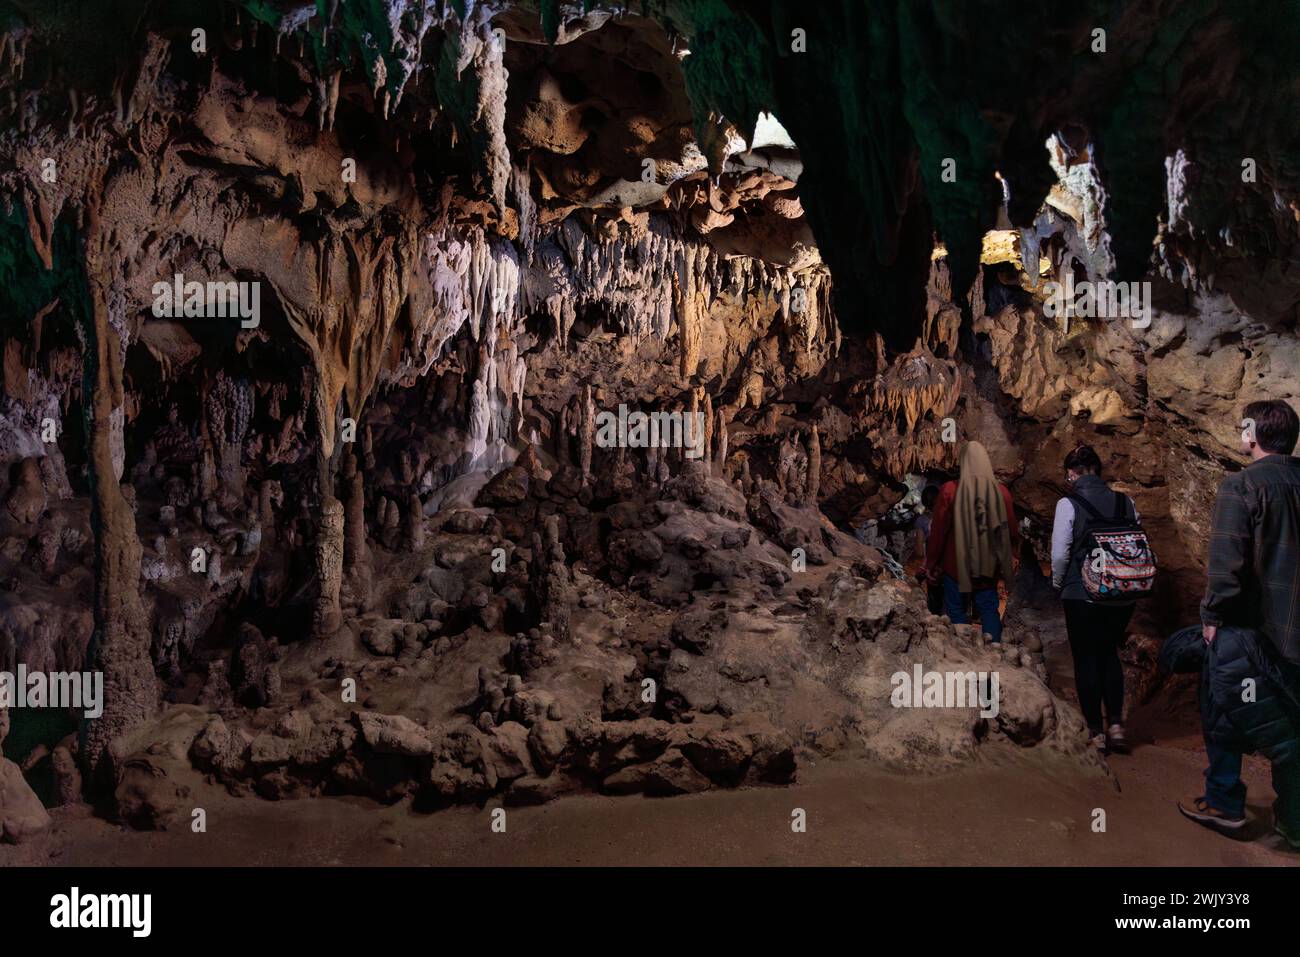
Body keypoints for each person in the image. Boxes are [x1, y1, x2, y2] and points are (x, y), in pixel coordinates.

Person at [1179, 399, 1300, 844]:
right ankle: (1294, 820)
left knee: (1222, 706)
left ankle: (1225, 803)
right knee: (1293, 726)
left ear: (1251, 433)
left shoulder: (1242, 486)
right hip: (1295, 635)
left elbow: (1226, 566)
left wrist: (1212, 616)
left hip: (1253, 631)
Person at [1050, 445, 1139, 754]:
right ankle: (1116, 726)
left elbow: (1061, 551)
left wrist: (1059, 582)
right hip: (1122, 595)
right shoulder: (1125, 500)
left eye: (1068, 474)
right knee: (1108, 655)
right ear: (1098, 472)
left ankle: (1096, 732)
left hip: (1083, 593)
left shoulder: (1068, 504)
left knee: (1086, 659)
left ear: (1073, 473)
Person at [924, 441, 1016, 643]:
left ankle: (964, 654)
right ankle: (994, 652)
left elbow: (939, 530)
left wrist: (932, 562)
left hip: (955, 565)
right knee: (988, 607)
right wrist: (1009, 559)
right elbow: (1010, 531)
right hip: (987, 565)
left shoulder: (950, 490)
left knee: (956, 609)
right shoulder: (1002, 493)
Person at [915, 485, 944, 614]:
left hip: (933, 569)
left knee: (935, 606)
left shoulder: (922, 521)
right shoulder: (949, 517)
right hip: (952, 567)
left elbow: (919, 552)